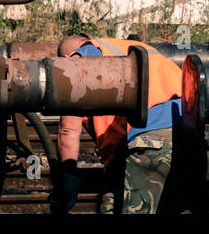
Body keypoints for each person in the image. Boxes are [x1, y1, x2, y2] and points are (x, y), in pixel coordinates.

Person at [50, 35, 183, 214]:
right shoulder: (129, 46)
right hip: (188, 134)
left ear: (67, 58)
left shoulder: (81, 58)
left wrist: (67, 178)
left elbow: (68, 130)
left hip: (148, 140)